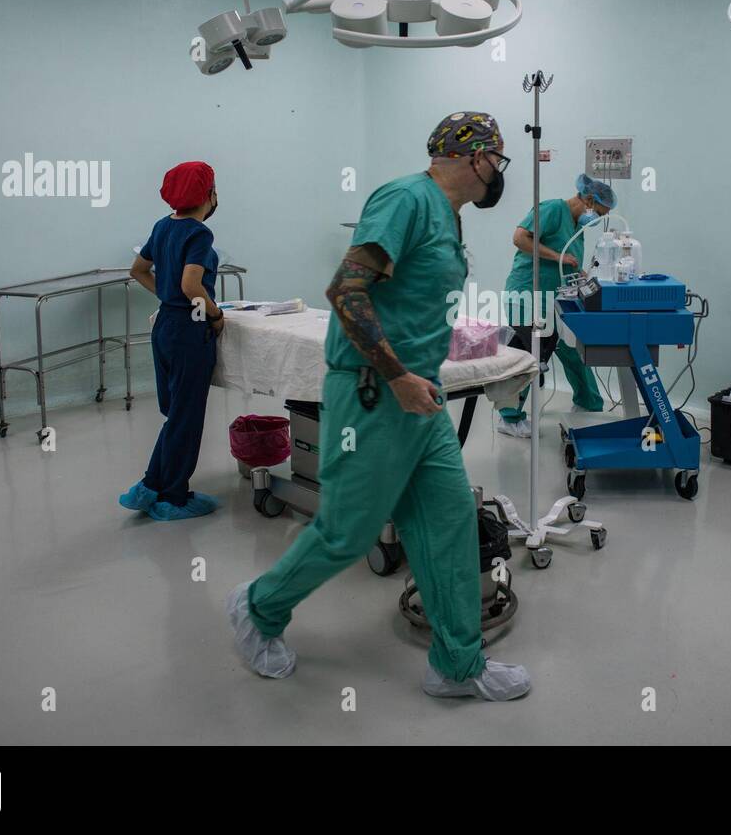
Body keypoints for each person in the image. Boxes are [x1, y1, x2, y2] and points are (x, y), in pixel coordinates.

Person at [226, 112, 531, 702]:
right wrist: (395, 376)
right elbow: (345, 290)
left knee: (447, 525)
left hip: (422, 397)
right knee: (348, 530)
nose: (499, 173)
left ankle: (457, 664)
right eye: (497, 160)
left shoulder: (446, 216)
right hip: (376, 393)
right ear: (476, 158)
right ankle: (258, 608)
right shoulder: (406, 199)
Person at [120, 161, 225, 522]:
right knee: (186, 415)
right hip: (189, 330)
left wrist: (166, 295)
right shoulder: (199, 234)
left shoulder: (162, 227)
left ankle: (150, 486)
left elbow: (138, 270)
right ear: (209, 195)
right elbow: (191, 285)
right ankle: (173, 499)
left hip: (165, 324)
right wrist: (214, 314)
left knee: (175, 412)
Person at [496, 173, 617, 438]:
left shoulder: (578, 226)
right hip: (528, 293)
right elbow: (519, 238)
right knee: (530, 354)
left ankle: (589, 404)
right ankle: (509, 418)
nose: (596, 218)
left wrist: (580, 277)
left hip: (558, 296)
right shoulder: (552, 209)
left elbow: (569, 262)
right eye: (598, 211)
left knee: (573, 349)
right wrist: (558, 257)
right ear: (587, 199)